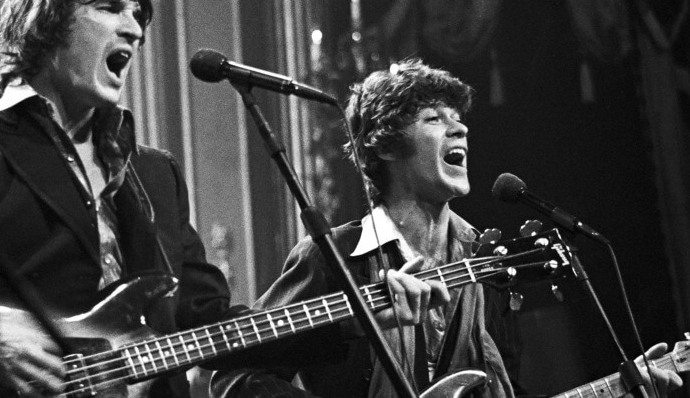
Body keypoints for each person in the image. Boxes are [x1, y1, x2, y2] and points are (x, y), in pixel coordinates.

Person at [0, 0, 433, 397]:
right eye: (110, 8)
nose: (133, 30)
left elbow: (209, 325)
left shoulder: (153, 174)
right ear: (45, 23)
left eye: (139, 18)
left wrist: (354, 319)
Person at [210, 59, 683, 397]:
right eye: (434, 119)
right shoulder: (333, 256)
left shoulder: (490, 263)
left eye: (459, 120)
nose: (461, 130)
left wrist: (623, 387)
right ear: (385, 146)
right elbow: (235, 375)